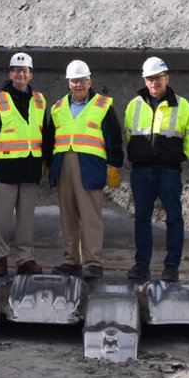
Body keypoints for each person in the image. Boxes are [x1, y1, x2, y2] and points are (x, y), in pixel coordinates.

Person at [44, 59, 124, 280]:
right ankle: (71, 261)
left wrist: (114, 165)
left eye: (82, 80)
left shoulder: (103, 105)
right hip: (63, 165)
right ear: (68, 83)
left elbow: (114, 138)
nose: (78, 85)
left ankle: (93, 262)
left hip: (89, 166)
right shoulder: (58, 107)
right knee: (67, 216)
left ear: (90, 81)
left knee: (90, 216)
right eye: (74, 81)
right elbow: (50, 139)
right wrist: (48, 164)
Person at [123, 56, 189, 283]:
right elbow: (129, 133)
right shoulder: (134, 105)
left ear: (167, 78)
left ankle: (171, 266)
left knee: (174, 218)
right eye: (150, 78)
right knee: (142, 218)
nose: (154, 82)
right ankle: (141, 264)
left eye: (158, 78)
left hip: (168, 170)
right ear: (145, 80)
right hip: (141, 171)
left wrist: (179, 156)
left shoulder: (183, 105)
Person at [0, 52, 47, 277]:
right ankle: (0, 258)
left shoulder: (39, 100)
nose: (20, 74)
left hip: (30, 169)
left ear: (30, 75)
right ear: (10, 74)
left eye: (24, 71)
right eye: (16, 71)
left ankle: (25, 258)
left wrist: (45, 158)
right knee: (1, 217)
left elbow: (44, 133)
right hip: (6, 169)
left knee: (26, 219)